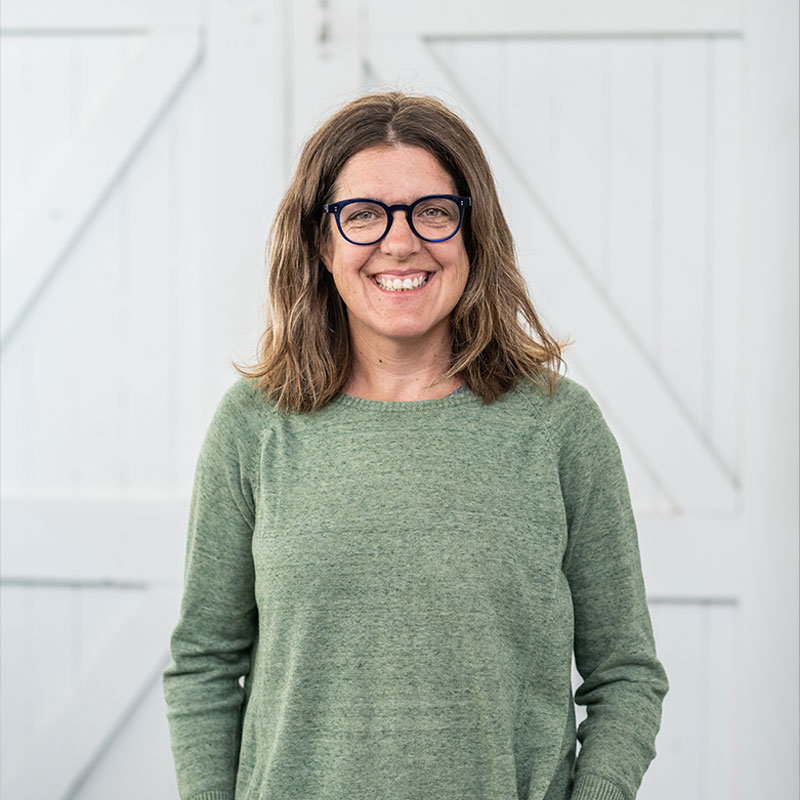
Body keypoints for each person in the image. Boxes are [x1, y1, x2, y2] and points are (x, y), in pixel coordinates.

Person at [163, 91, 668, 800]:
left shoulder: (559, 427)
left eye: (432, 212)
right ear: (321, 241)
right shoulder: (253, 426)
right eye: (363, 214)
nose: (400, 243)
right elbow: (204, 664)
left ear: (472, 232)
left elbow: (625, 674)